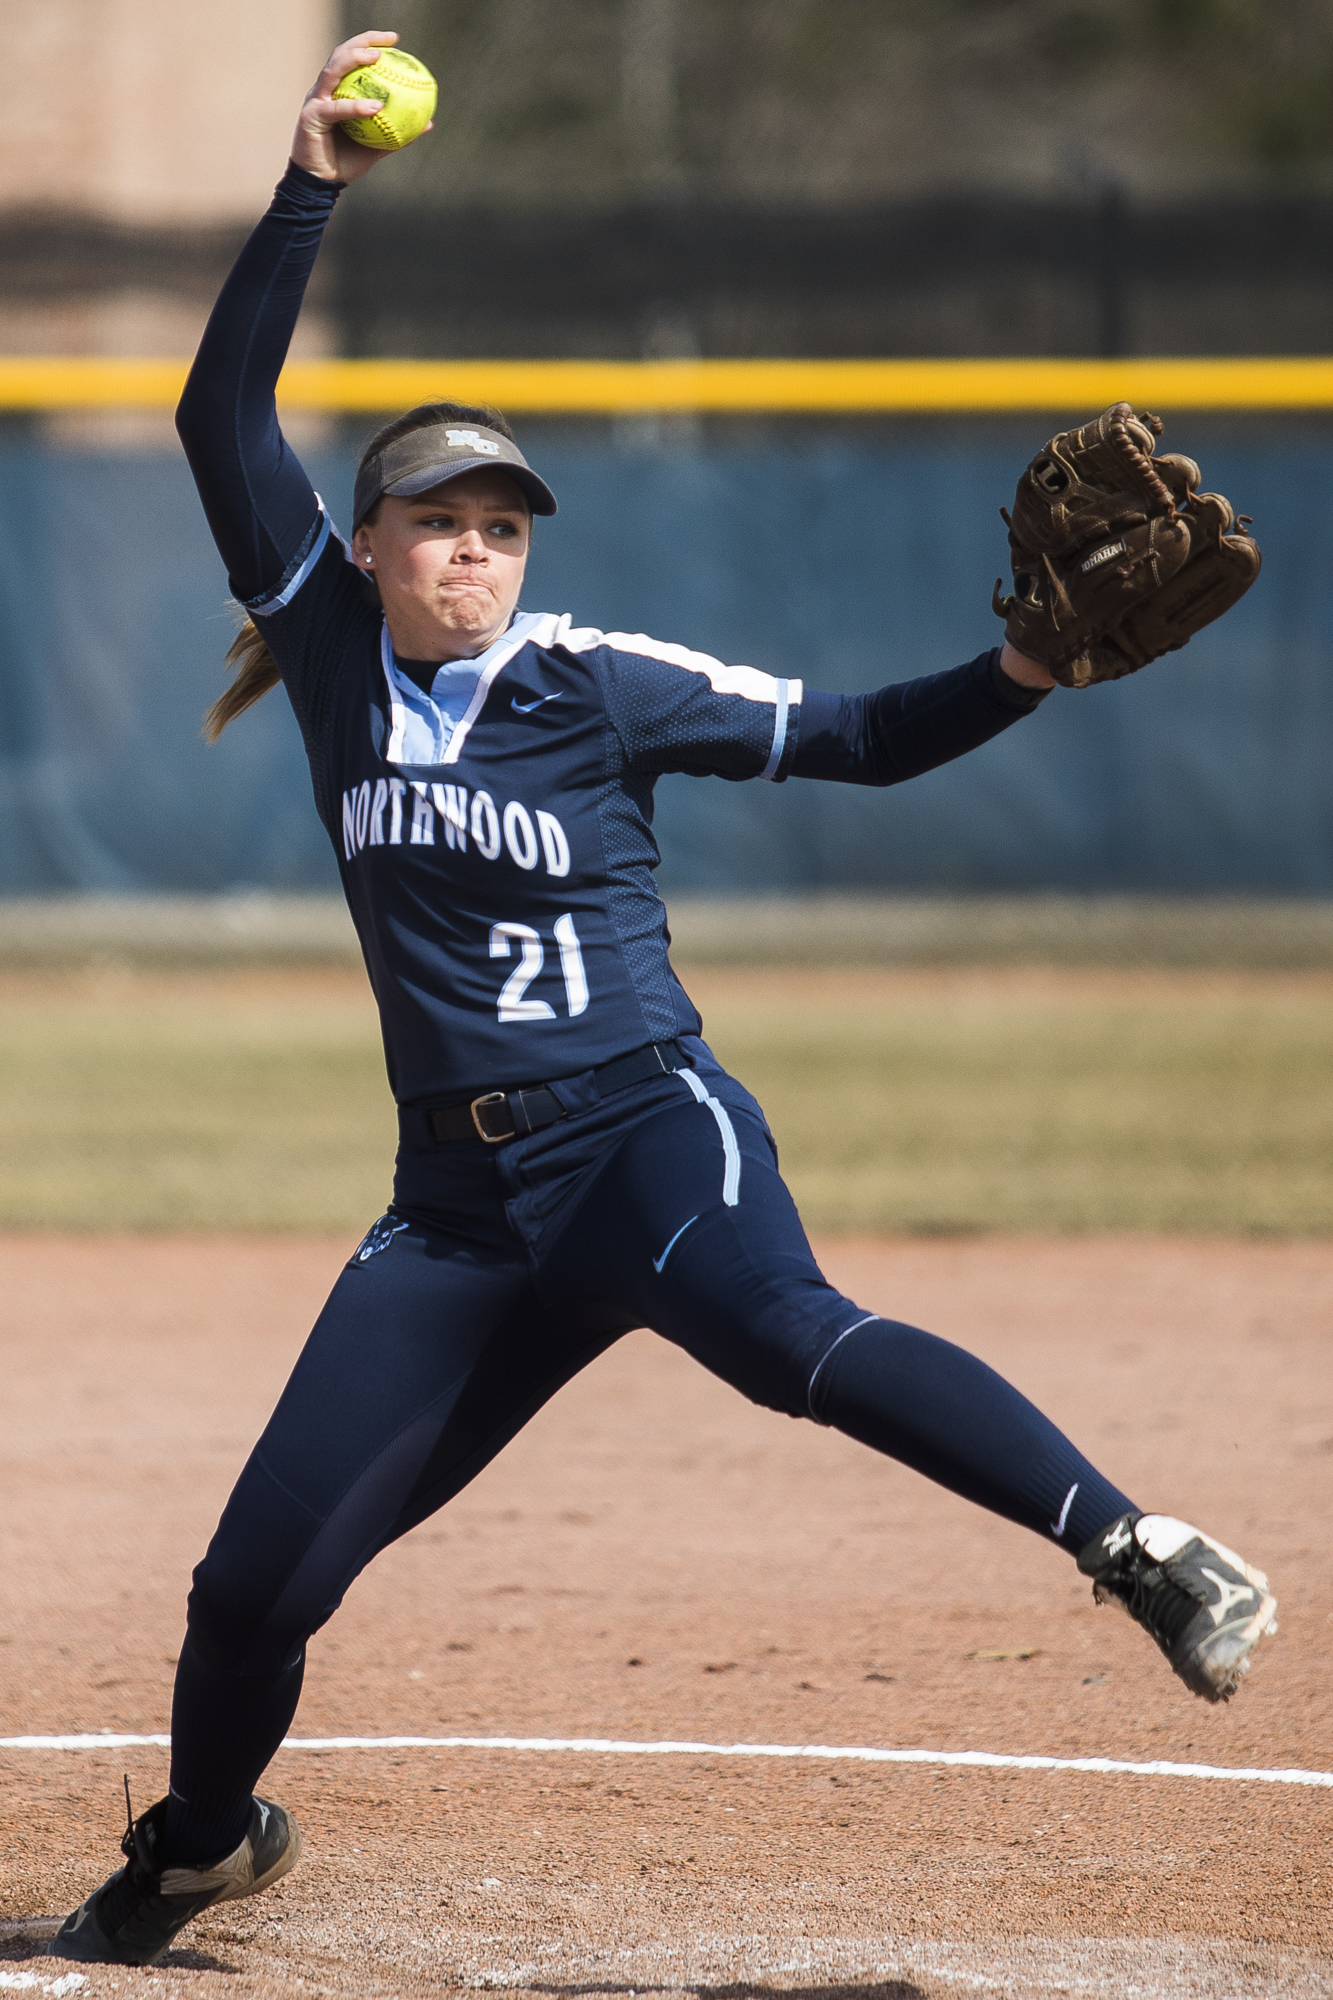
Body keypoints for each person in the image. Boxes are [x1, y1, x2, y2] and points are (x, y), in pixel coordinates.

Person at [50, 29, 1278, 1970]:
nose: (474, 545)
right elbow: (218, 416)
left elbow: (859, 740)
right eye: (439, 517)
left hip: (644, 1133)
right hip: (454, 1216)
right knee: (251, 1585)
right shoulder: (330, 652)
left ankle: (1137, 1546)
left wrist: (1027, 666)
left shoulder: (597, 682)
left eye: (503, 521)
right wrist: (310, 187)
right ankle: (204, 1842)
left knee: (792, 1330)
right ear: (362, 547)